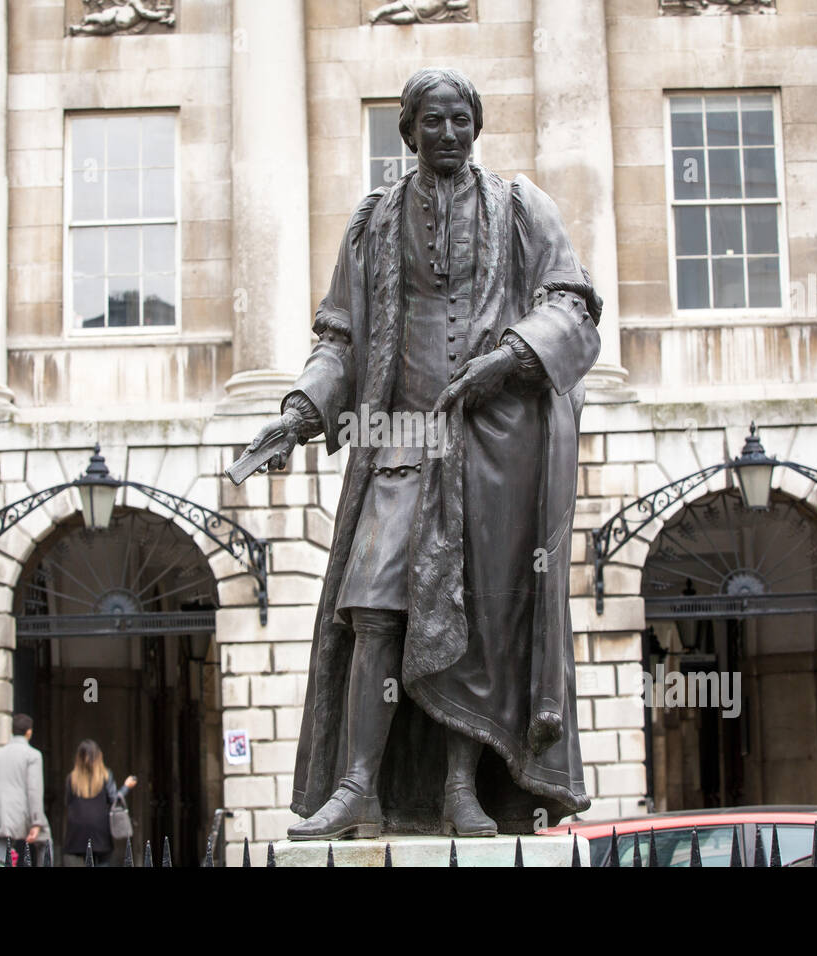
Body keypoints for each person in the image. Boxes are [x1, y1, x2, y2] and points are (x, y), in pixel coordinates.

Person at [245, 67, 597, 840]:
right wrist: (301, 411)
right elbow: (338, 336)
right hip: (399, 441)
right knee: (373, 608)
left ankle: (459, 790)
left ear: (476, 125)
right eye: (432, 122)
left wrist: (509, 358)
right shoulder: (373, 222)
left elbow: (570, 302)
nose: (447, 134)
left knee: (467, 620)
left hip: (492, 451)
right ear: (407, 132)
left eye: (460, 120)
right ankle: (357, 784)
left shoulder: (520, 209)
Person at [61, 739, 137, 867]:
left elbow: (67, 801)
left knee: (88, 861)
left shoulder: (72, 778)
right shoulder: (105, 775)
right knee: (103, 862)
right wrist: (126, 787)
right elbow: (114, 799)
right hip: (100, 827)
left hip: (79, 830)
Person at [0, 713, 49, 865]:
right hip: (21, 814)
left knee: (0, 860)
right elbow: (34, 791)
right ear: (29, 732)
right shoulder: (33, 755)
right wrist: (36, 822)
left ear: (12, 731)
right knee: (46, 841)